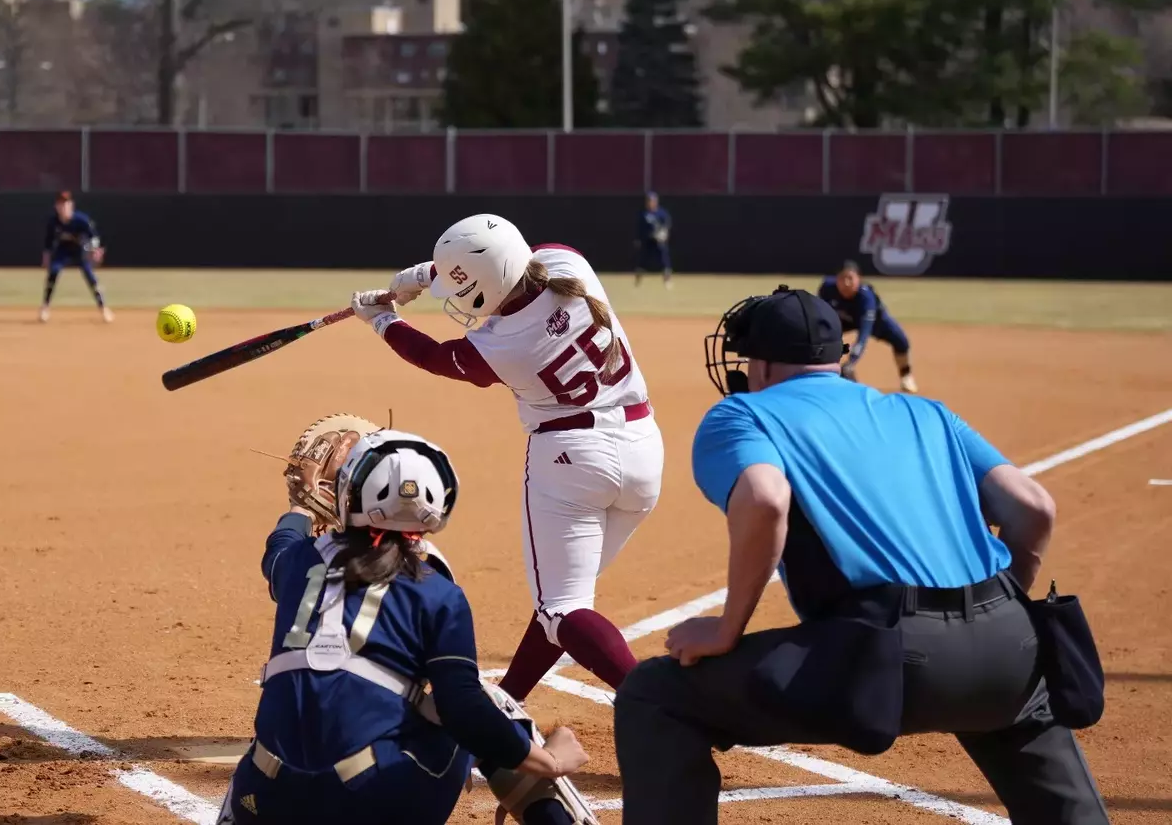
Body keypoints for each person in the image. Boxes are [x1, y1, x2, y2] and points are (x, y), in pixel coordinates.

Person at [612, 285, 1107, 825]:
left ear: (762, 363)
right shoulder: (925, 411)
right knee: (1033, 747)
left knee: (654, 694)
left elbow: (765, 496)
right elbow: (1034, 508)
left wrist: (727, 628)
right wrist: (992, 619)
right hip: (1012, 644)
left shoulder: (742, 415)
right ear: (837, 357)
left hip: (885, 655)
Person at [221, 413, 598, 825]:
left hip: (270, 802)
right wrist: (547, 760)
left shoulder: (298, 563)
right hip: (375, 801)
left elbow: (281, 545)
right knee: (492, 706)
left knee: (265, 752)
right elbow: (464, 711)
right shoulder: (437, 591)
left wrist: (298, 507)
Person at [349, 214, 663, 703]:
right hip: (643, 448)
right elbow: (508, 264)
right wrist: (420, 277)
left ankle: (661, 704)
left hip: (572, 462)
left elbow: (433, 356)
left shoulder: (497, 346)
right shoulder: (567, 262)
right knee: (561, 607)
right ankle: (508, 700)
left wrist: (384, 320)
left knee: (562, 610)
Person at [817, 260, 916, 392]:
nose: (846, 283)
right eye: (842, 278)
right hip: (844, 319)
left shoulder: (866, 298)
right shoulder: (827, 289)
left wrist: (851, 363)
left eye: (850, 278)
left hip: (875, 321)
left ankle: (906, 376)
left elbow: (863, 335)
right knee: (820, 335)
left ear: (859, 279)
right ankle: (816, 375)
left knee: (901, 341)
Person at [39, 190, 112, 323]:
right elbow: (48, 241)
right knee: (53, 272)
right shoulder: (53, 221)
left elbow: (94, 235)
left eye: (66, 204)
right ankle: (45, 308)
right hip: (63, 250)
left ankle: (104, 308)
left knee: (90, 276)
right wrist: (46, 256)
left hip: (80, 250)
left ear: (71, 205)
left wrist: (95, 249)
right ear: (56, 206)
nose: (63, 207)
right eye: (61, 204)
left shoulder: (81, 220)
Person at [634, 192, 672, 289]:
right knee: (642, 261)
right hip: (647, 240)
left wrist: (663, 234)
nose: (650, 203)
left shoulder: (661, 213)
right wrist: (638, 239)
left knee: (664, 259)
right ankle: (638, 281)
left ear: (656, 201)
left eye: (652, 201)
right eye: (649, 201)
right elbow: (640, 228)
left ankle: (667, 281)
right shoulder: (644, 214)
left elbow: (666, 225)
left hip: (659, 241)